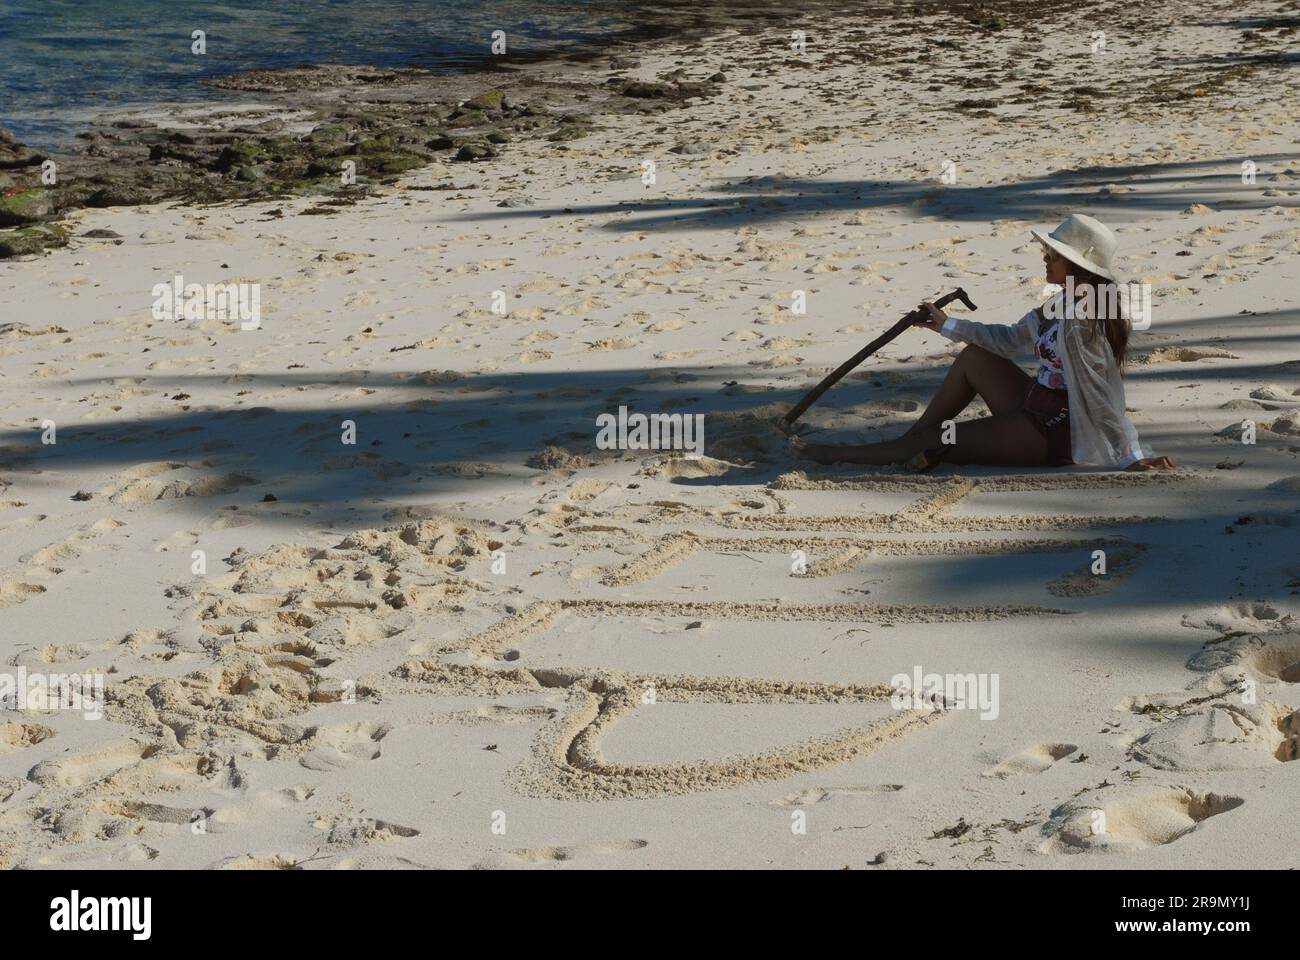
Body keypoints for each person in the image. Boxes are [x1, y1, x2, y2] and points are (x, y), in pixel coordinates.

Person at [791, 214, 1174, 471]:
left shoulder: (1082, 320)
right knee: (975, 358)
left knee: (940, 441)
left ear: (1077, 266)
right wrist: (946, 324)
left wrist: (1132, 456)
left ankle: (833, 454)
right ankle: (907, 441)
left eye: (1054, 255)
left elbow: (1100, 393)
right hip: (1033, 404)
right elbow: (1009, 340)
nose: (1045, 258)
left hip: (1057, 429)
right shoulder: (1061, 303)